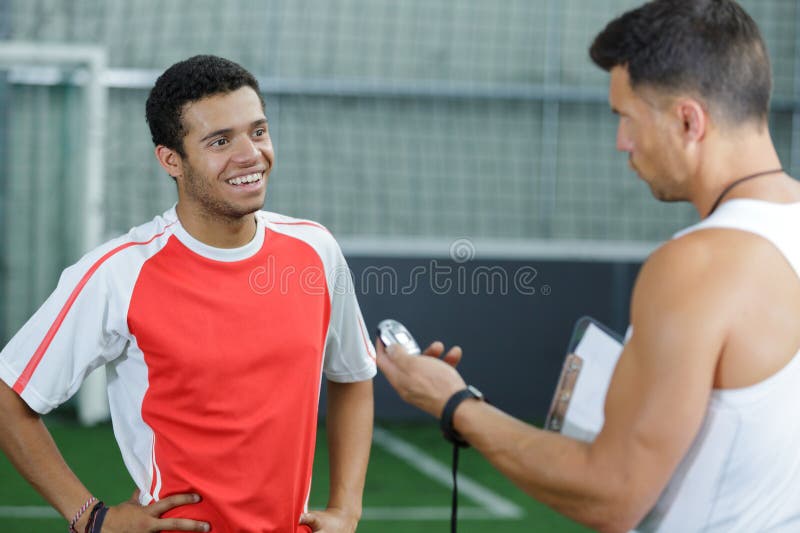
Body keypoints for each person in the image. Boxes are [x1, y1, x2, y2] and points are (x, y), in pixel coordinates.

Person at [377, 1, 800, 531]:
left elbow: (612, 494)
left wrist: (453, 402)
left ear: (689, 120)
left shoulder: (698, 263)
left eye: (626, 118)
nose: (622, 142)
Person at [0, 55, 376, 533]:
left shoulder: (316, 251)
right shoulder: (119, 273)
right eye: (220, 141)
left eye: (257, 132)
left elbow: (353, 373)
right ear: (170, 159)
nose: (250, 155)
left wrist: (347, 509)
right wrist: (91, 519)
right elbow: (8, 395)